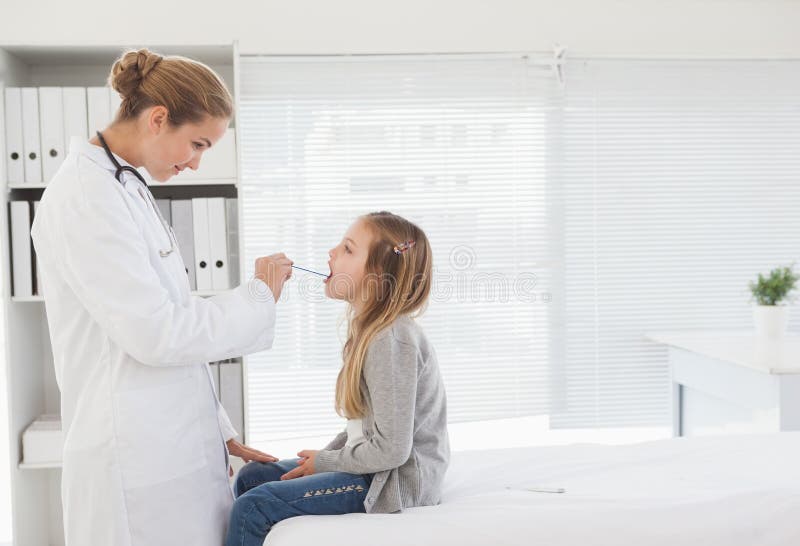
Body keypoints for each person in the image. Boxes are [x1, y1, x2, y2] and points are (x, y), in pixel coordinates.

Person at [30, 48, 291, 546]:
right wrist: (257, 297)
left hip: (170, 450)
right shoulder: (87, 196)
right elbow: (157, 332)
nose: (194, 164)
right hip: (131, 465)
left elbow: (175, 316)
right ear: (157, 118)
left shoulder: (126, 185)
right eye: (196, 145)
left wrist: (218, 428)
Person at [225, 211, 450, 546]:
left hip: (390, 482)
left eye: (347, 249)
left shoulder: (391, 340)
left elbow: (391, 451)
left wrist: (325, 462)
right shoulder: (371, 332)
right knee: (252, 477)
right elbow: (363, 430)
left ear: (376, 274)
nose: (331, 253)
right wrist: (318, 460)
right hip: (376, 468)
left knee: (253, 507)